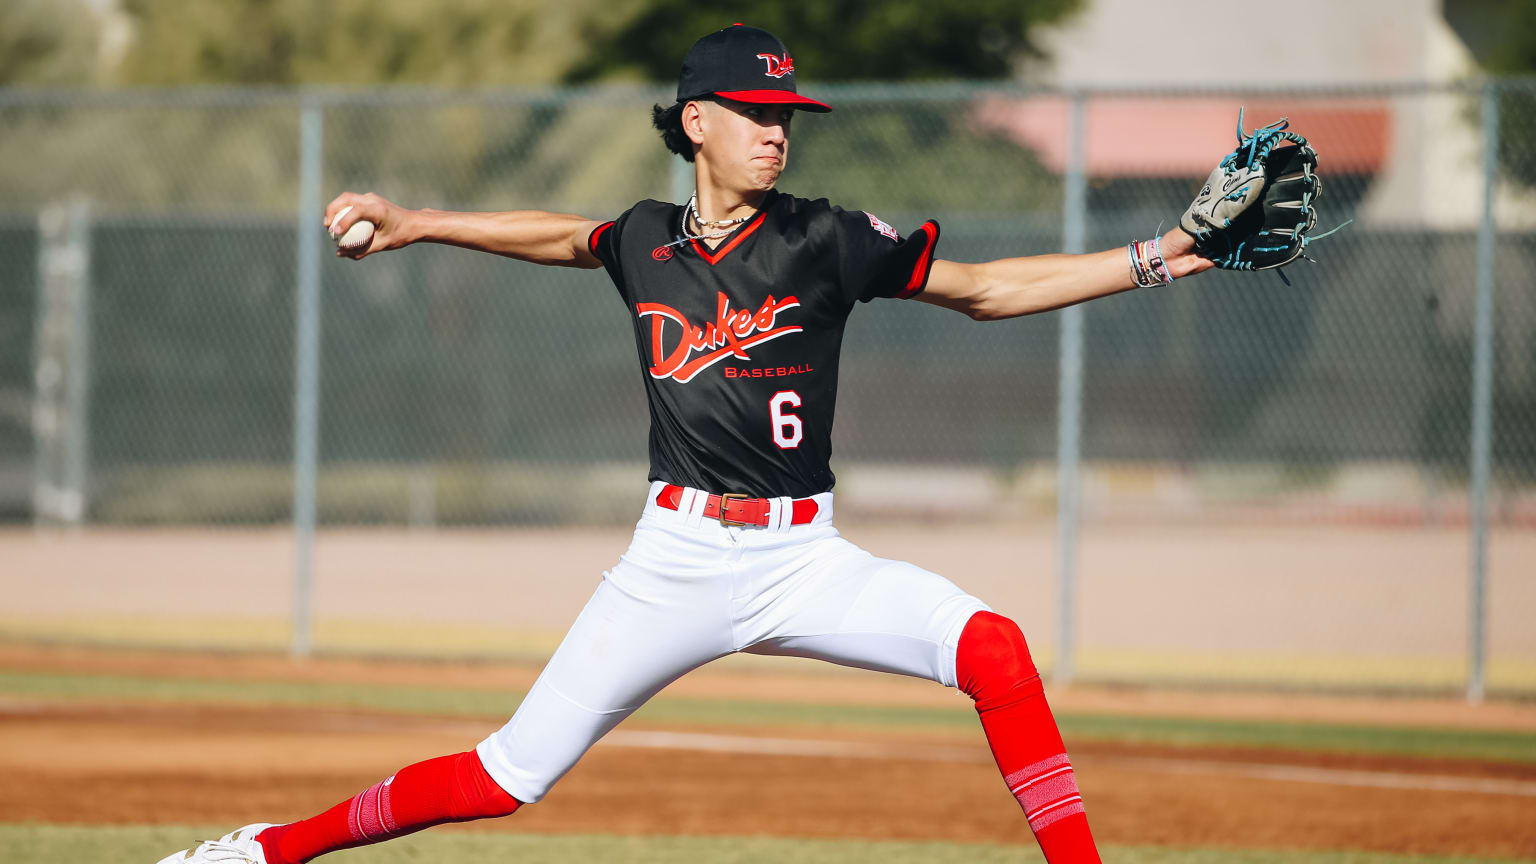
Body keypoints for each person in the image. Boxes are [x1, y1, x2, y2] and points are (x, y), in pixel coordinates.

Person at [159, 24, 1222, 864]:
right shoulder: (643, 242)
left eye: (787, 116)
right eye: (758, 113)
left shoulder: (824, 237)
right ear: (699, 121)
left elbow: (988, 290)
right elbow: (558, 234)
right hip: (672, 561)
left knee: (995, 647)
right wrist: (421, 220)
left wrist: (1165, 254)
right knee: (503, 779)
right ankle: (267, 851)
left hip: (804, 558)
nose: (779, 131)